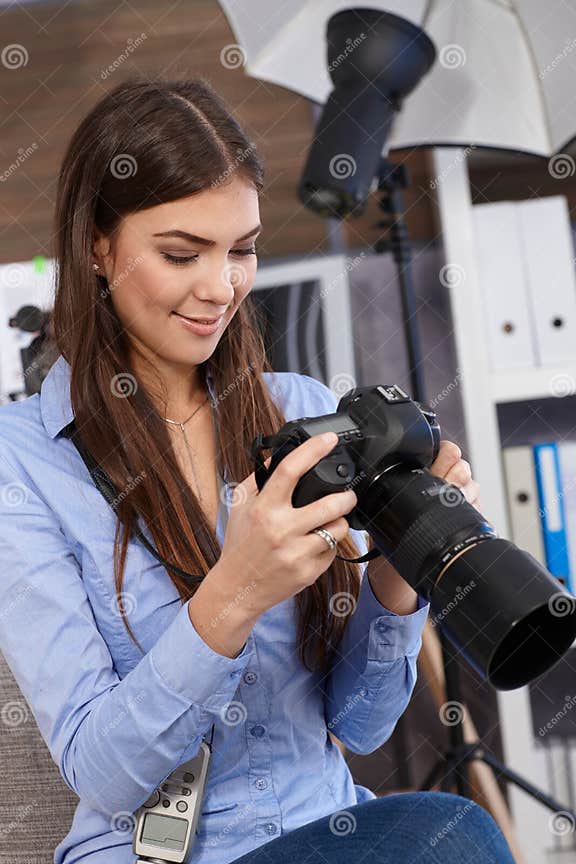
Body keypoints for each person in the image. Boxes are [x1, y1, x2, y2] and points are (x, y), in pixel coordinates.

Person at [0, 74, 513, 864]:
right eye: (181, 253)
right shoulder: (24, 461)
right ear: (97, 246)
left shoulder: (298, 411)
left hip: (330, 831)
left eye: (241, 250)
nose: (220, 288)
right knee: (458, 834)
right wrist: (237, 590)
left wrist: (396, 578)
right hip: (157, 855)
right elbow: (103, 772)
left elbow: (362, 726)